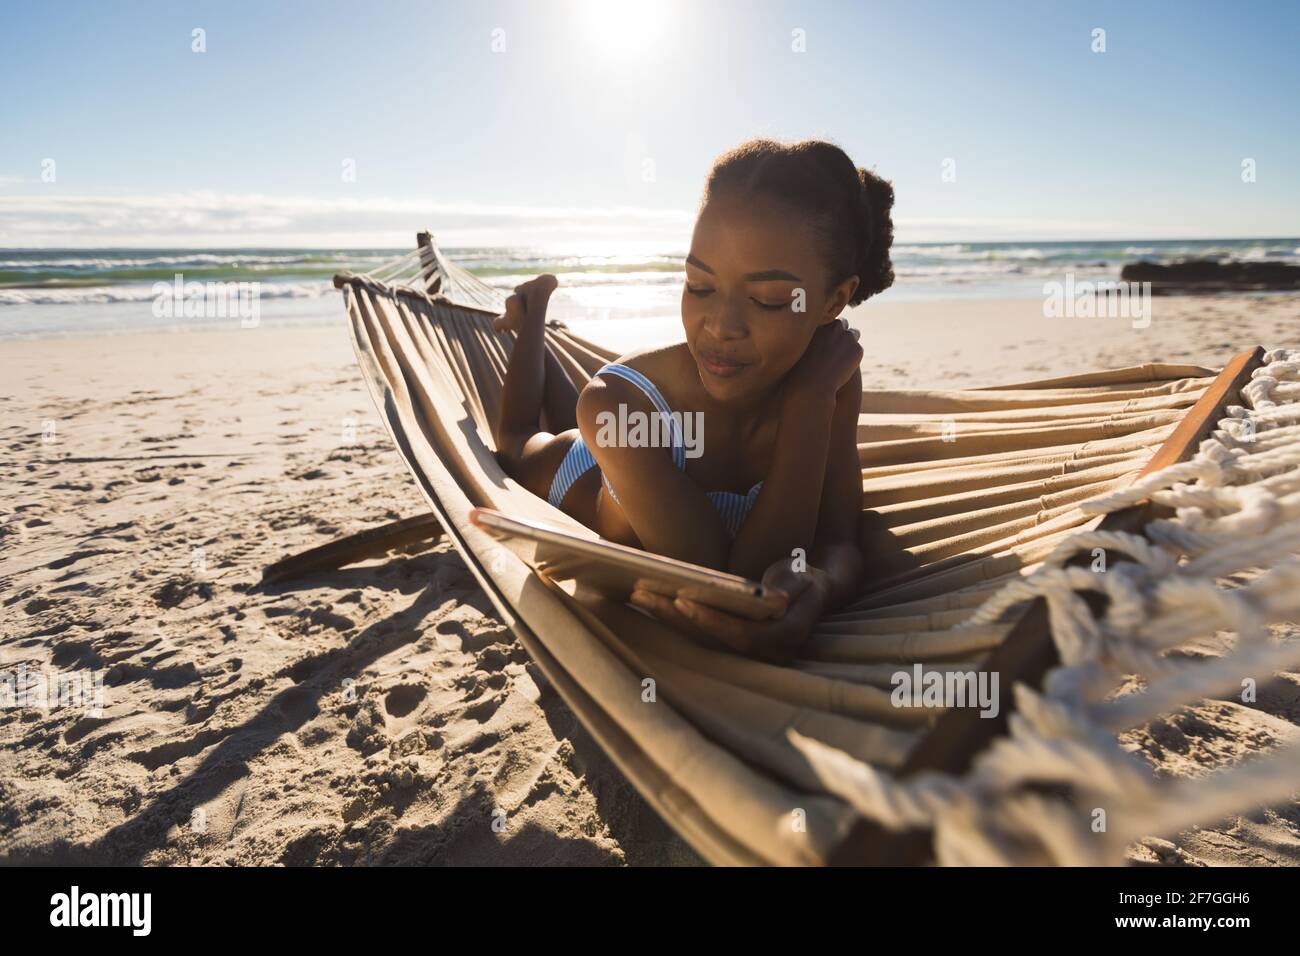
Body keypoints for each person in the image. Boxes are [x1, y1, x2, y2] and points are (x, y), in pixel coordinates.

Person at [493, 138, 895, 659]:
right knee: (517, 441)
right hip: (589, 463)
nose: (721, 327)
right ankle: (534, 312)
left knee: (561, 412)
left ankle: (538, 325)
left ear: (833, 301)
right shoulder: (613, 402)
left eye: (768, 299)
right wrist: (806, 406)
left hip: (632, 440)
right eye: (698, 285)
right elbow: (730, 583)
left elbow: (840, 539)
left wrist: (820, 586)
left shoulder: (829, 374)